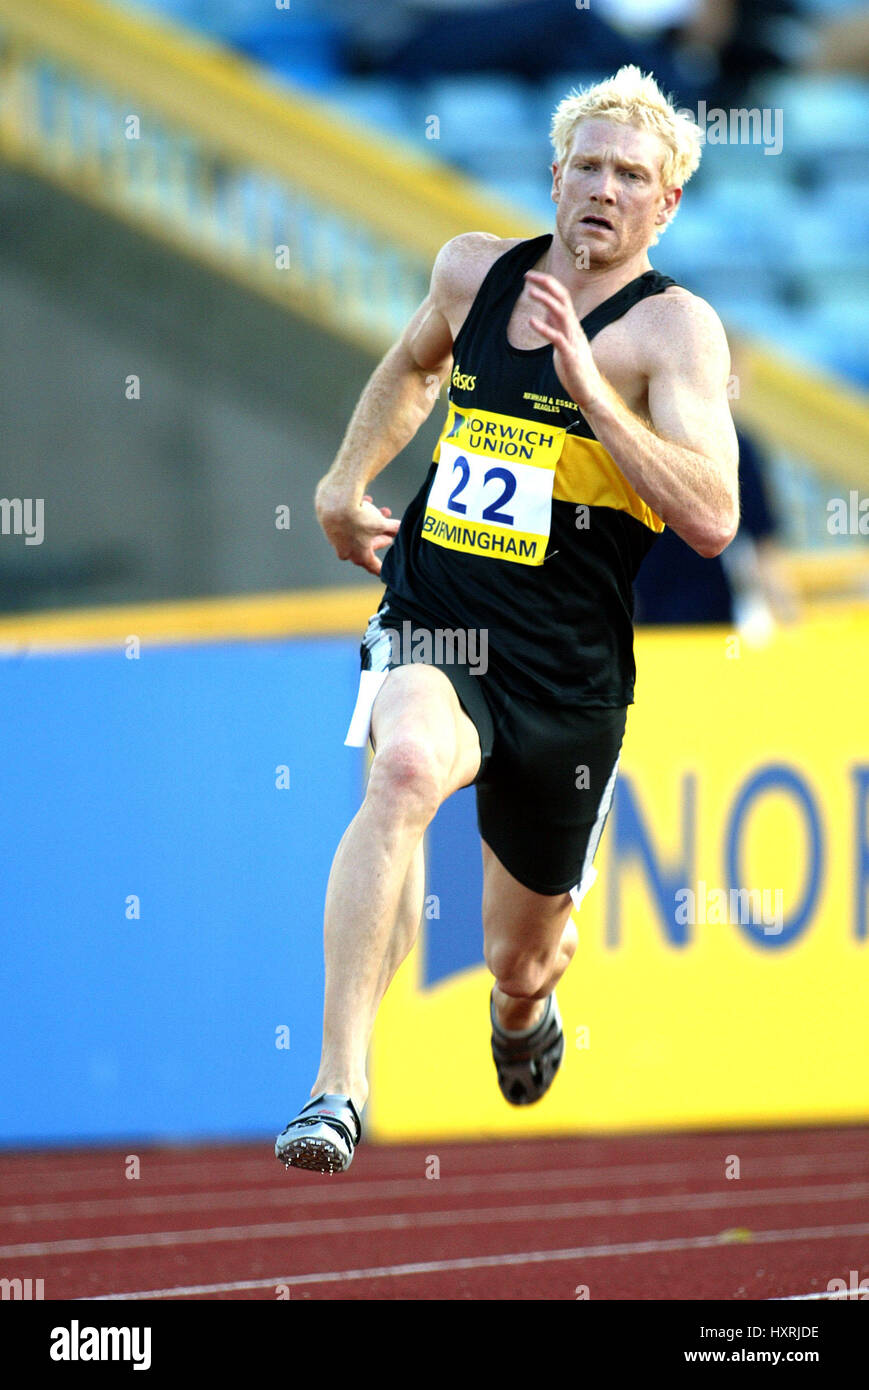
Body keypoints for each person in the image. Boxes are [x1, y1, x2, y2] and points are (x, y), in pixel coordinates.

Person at [275, 65, 739, 1174]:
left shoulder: (671, 334)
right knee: (399, 774)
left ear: (664, 205)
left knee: (517, 954)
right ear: (553, 175)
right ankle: (337, 1089)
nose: (603, 188)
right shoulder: (472, 271)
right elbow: (411, 366)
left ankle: (522, 1013)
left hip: (567, 679)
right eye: (585, 164)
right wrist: (346, 483)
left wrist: (588, 391)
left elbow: (712, 513)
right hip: (440, 616)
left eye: (631, 175)